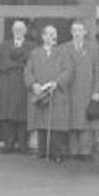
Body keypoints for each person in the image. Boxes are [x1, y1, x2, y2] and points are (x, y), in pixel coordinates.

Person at [23, 23, 73, 161]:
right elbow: (28, 71)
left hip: (56, 92)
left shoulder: (63, 53)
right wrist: (33, 84)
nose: (52, 37)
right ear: (43, 36)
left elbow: (68, 70)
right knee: (41, 123)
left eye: (54, 34)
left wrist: (57, 82)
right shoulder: (35, 53)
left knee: (56, 124)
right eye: (49, 34)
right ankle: (42, 151)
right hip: (41, 93)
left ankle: (56, 153)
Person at [62, 18, 99, 160]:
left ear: (85, 32)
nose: (77, 33)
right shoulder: (64, 47)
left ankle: (85, 151)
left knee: (86, 121)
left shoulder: (93, 47)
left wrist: (98, 91)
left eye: (80, 30)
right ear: (71, 32)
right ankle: (72, 151)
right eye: (74, 30)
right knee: (71, 120)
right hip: (70, 90)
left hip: (87, 90)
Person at [0, 19, 31, 152]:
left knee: (23, 116)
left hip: (23, 85)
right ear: (12, 31)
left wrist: (13, 64)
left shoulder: (31, 46)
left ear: (25, 31)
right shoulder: (4, 45)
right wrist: (18, 64)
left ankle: (23, 145)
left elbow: (31, 64)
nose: (18, 31)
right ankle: (7, 144)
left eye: (21, 29)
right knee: (7, 116)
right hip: (7, 85)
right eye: (16, 29)